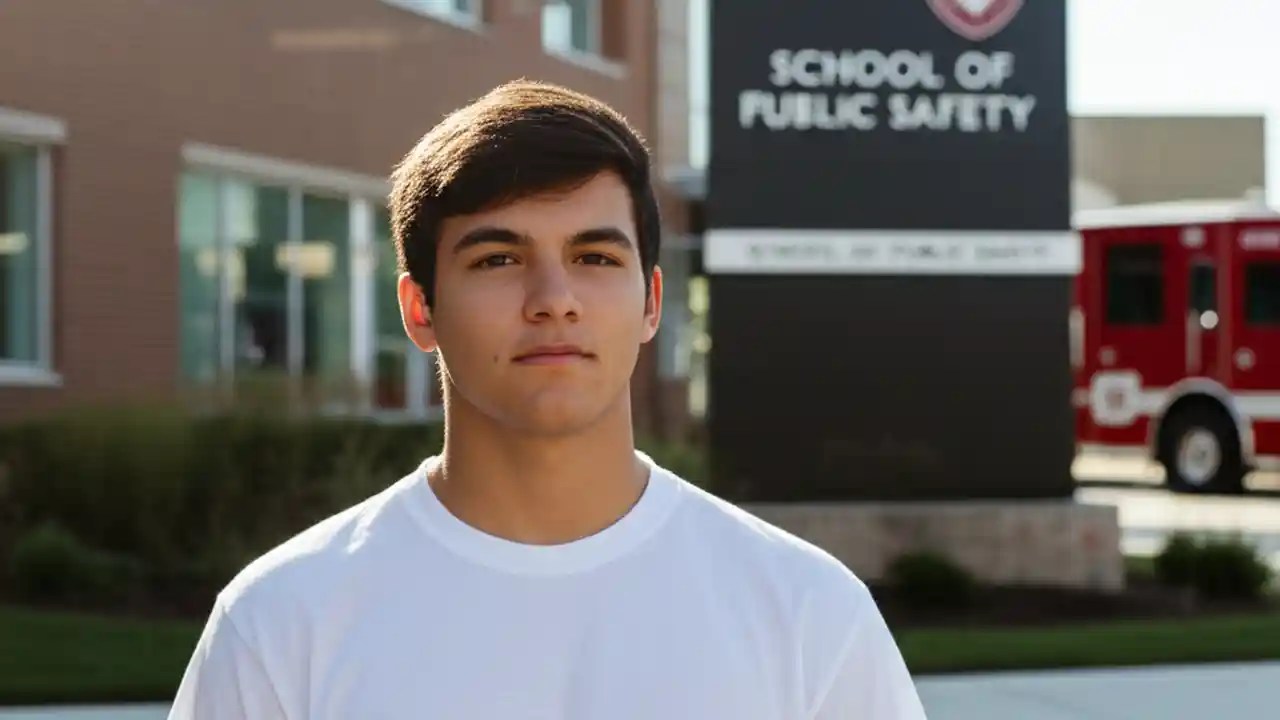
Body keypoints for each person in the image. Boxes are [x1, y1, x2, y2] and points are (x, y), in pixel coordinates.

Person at [168, 80, 928, 719]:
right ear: (419, 310)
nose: (553, 299)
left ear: (652, 302)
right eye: (498, 257)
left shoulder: (807, 614)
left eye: (594, 256)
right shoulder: (282, 623)